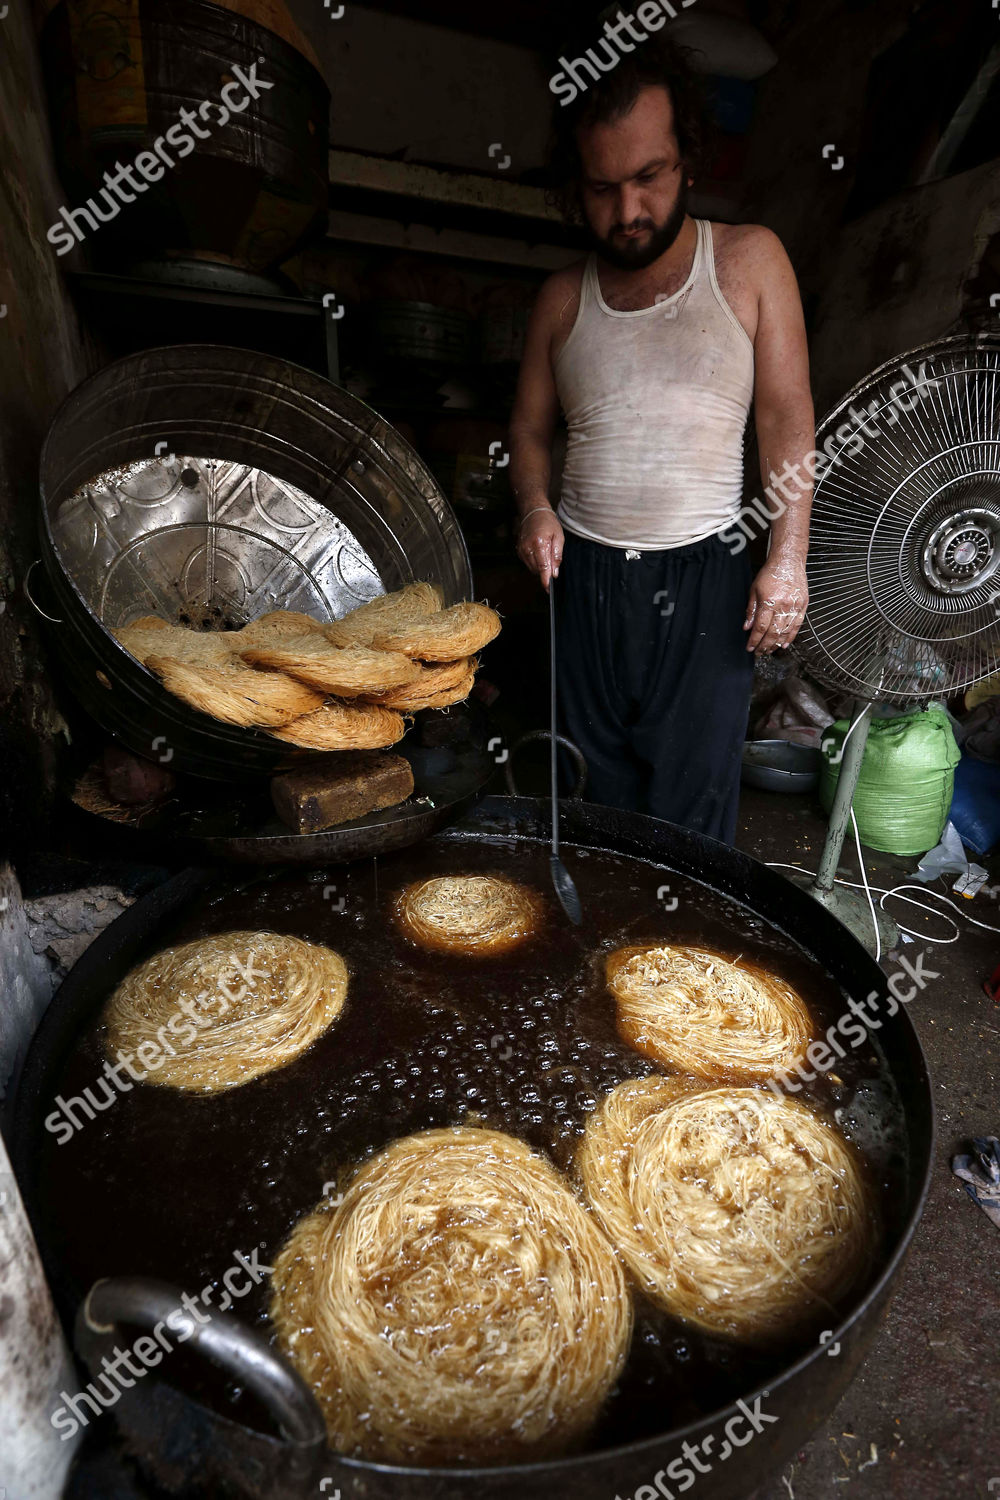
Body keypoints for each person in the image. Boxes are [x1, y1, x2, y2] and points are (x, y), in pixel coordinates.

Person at [509, 35, 815, 844]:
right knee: (586, 802)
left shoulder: (750, 262)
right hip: (583, 579)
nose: (628, 212)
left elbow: (786, 418)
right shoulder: (560, 298)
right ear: (578, 187)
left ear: (689, 158)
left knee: (693, 817)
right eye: (604, 188)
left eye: (649, 177)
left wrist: (787, 560)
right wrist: (534, 507)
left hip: (709, 577)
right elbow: (529, 431)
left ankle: (682, 962)